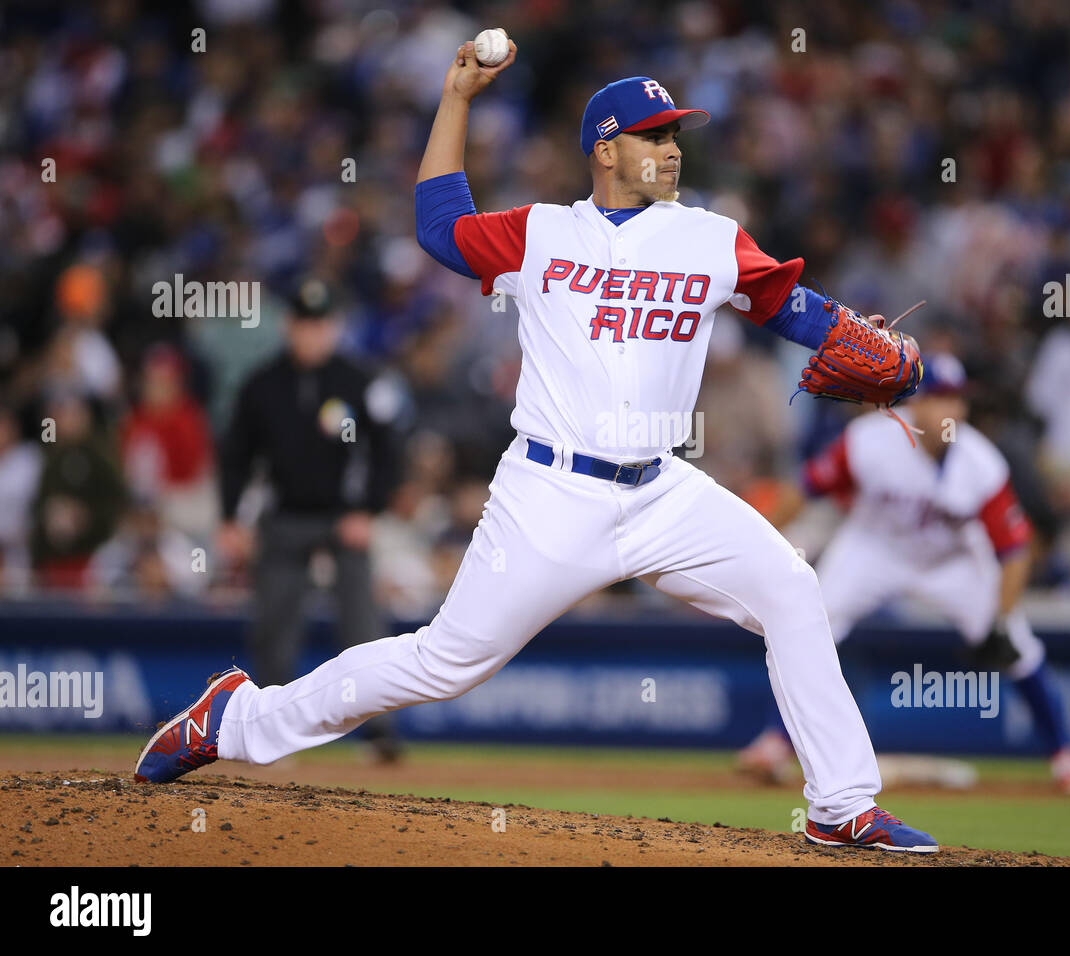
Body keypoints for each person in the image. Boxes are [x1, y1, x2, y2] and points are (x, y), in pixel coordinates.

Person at [137, 38, 938, 852]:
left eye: (674, 135)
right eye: (654, 134)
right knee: (444, 662)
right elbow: (440, 227)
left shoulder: (708, 239)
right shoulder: (543, 233)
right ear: (605, 148)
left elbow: (794, 309)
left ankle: (840, 803)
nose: (670, 149)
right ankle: (234, 718)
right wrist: (456, 100)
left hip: (664, 491)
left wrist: (880, 351)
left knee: (792, 591)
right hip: (553, 492)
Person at [738, 355, 1070, 795]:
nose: (953, 411)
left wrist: (1000, 618)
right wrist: (758, 544)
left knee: (1016, 645)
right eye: (941, 398)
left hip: (952, 562)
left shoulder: (981, 464)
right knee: (811, 624)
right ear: (915, 403)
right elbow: (805, 489)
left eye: (958, 401)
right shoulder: (868, 440)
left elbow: (1014, 551)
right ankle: (776, 741)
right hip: (874, 548)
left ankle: (1065, 754)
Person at [215, 276, 403, 761]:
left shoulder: (359, 380)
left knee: (363, 627)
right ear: (288, 326)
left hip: (345, 520)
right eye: (305, 324)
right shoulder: (261, 385)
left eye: (322, 325)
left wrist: (369, 510)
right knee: (275, 625)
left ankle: (380, 735)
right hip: (285, 517)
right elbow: (235, 455)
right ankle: (269, 736)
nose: (314, 334)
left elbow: (389, 453)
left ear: (335, 328)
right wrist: (229, 517)